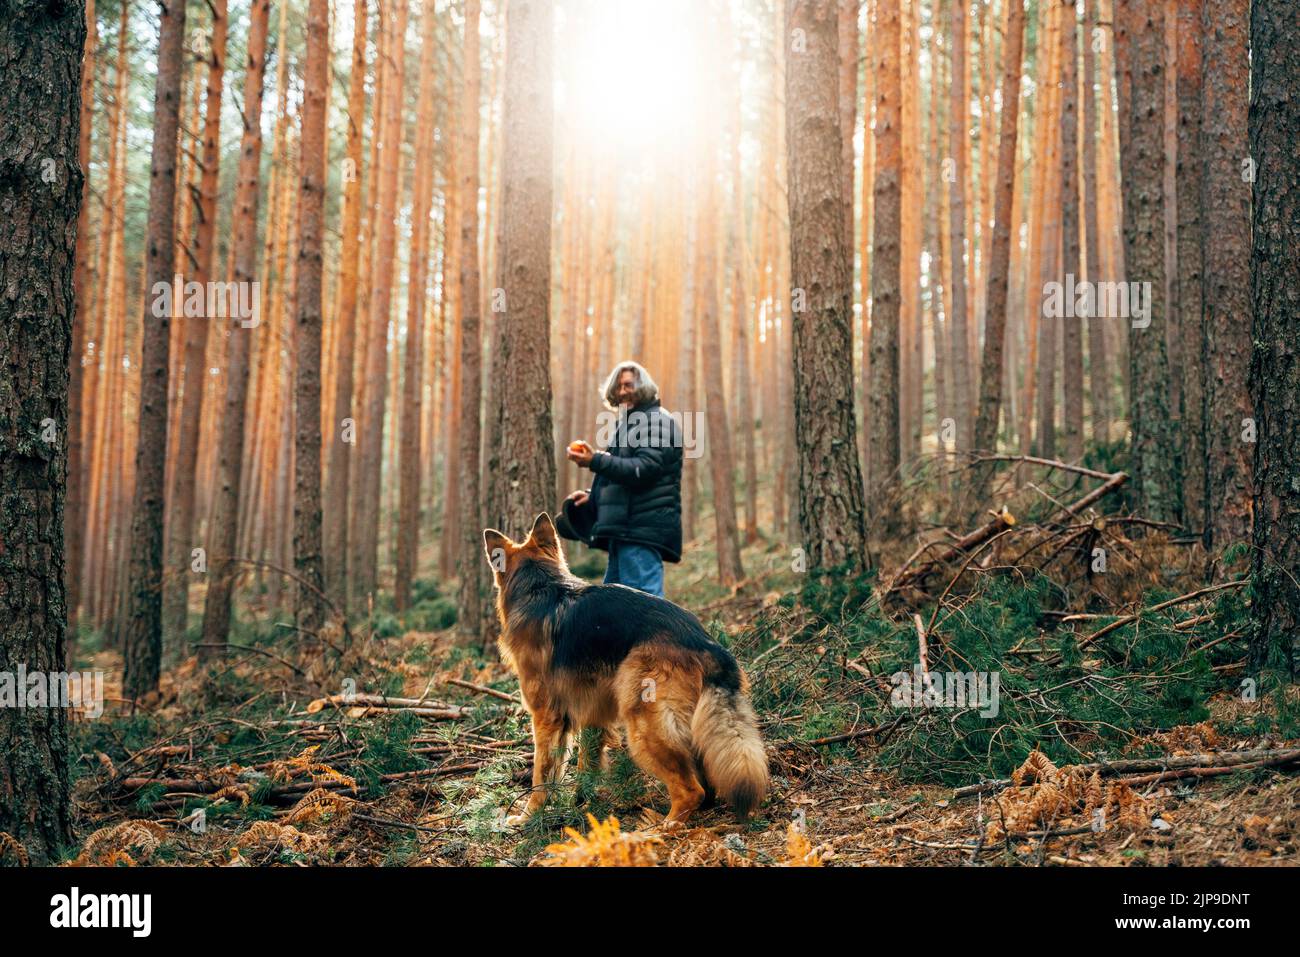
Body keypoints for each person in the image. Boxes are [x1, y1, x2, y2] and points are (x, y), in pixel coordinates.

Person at [562, 361, 683, 597]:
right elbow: (623, 474)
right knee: (616, 614)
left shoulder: (656, 420)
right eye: (618, 387)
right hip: (625, 532)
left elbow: (645, 470)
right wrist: (592, 497)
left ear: (644, 386)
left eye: (628, 384)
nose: (622, 391)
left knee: (647, 614)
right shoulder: (630, 424)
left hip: (641, 531)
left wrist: (594, 460)